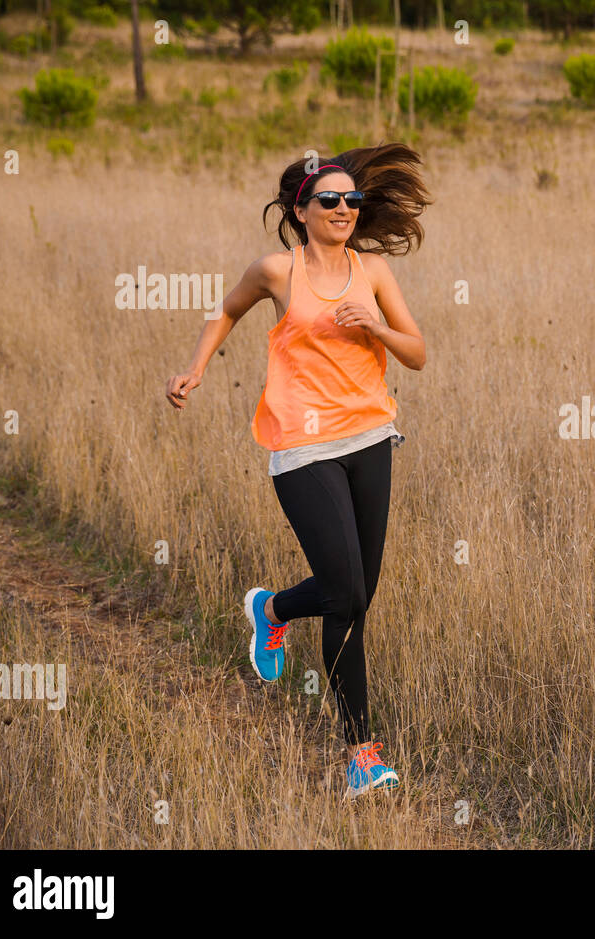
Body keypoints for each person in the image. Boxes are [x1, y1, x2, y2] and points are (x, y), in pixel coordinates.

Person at [166, 143, 432, 799]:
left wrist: (376, 325)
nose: (344, 209)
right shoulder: (276, 271)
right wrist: (198, 366)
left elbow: (418, 352)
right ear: (301, 210)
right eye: (330, 200)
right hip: (302, 446)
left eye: (353, 200)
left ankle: (274, 607)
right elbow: (226, 310)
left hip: (371, 436)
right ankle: (362, 755)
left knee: (359, 591)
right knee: (346, 595)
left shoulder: (372, 273)